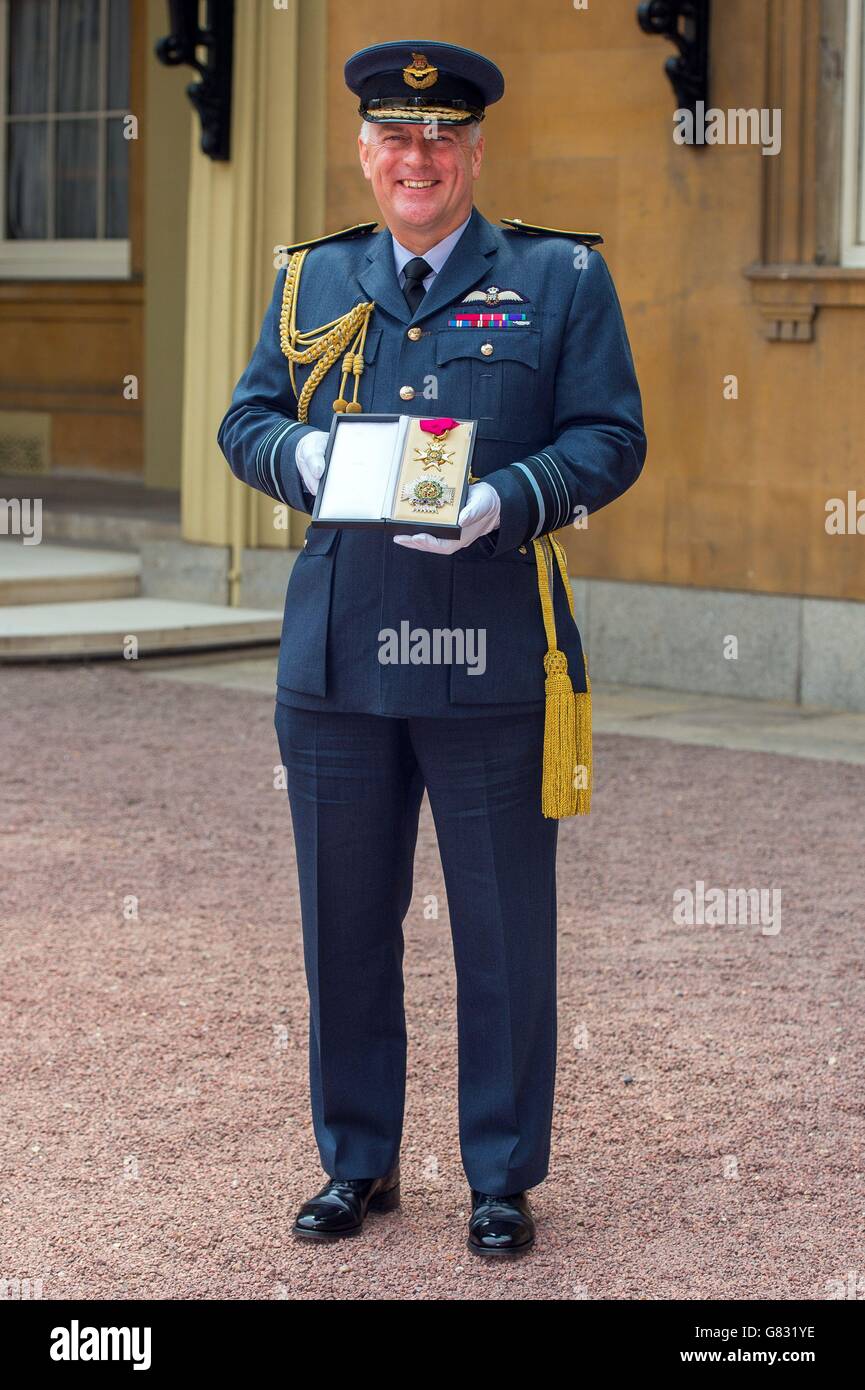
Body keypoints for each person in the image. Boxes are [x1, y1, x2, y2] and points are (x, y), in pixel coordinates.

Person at [217, 39, 646, 1258]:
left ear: (474, 151)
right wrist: (294, 456)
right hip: (342, 660)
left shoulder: (559, 278)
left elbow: (611, 438)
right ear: (366, 153)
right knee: (342, 921)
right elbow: (246, 418)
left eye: (442, 136)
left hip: (488, 651)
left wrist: (510, 498)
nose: (421, 157)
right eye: (397, 138)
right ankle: (357, 1163)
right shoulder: (313, 281)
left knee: (502, 927)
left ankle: (502, 1175)